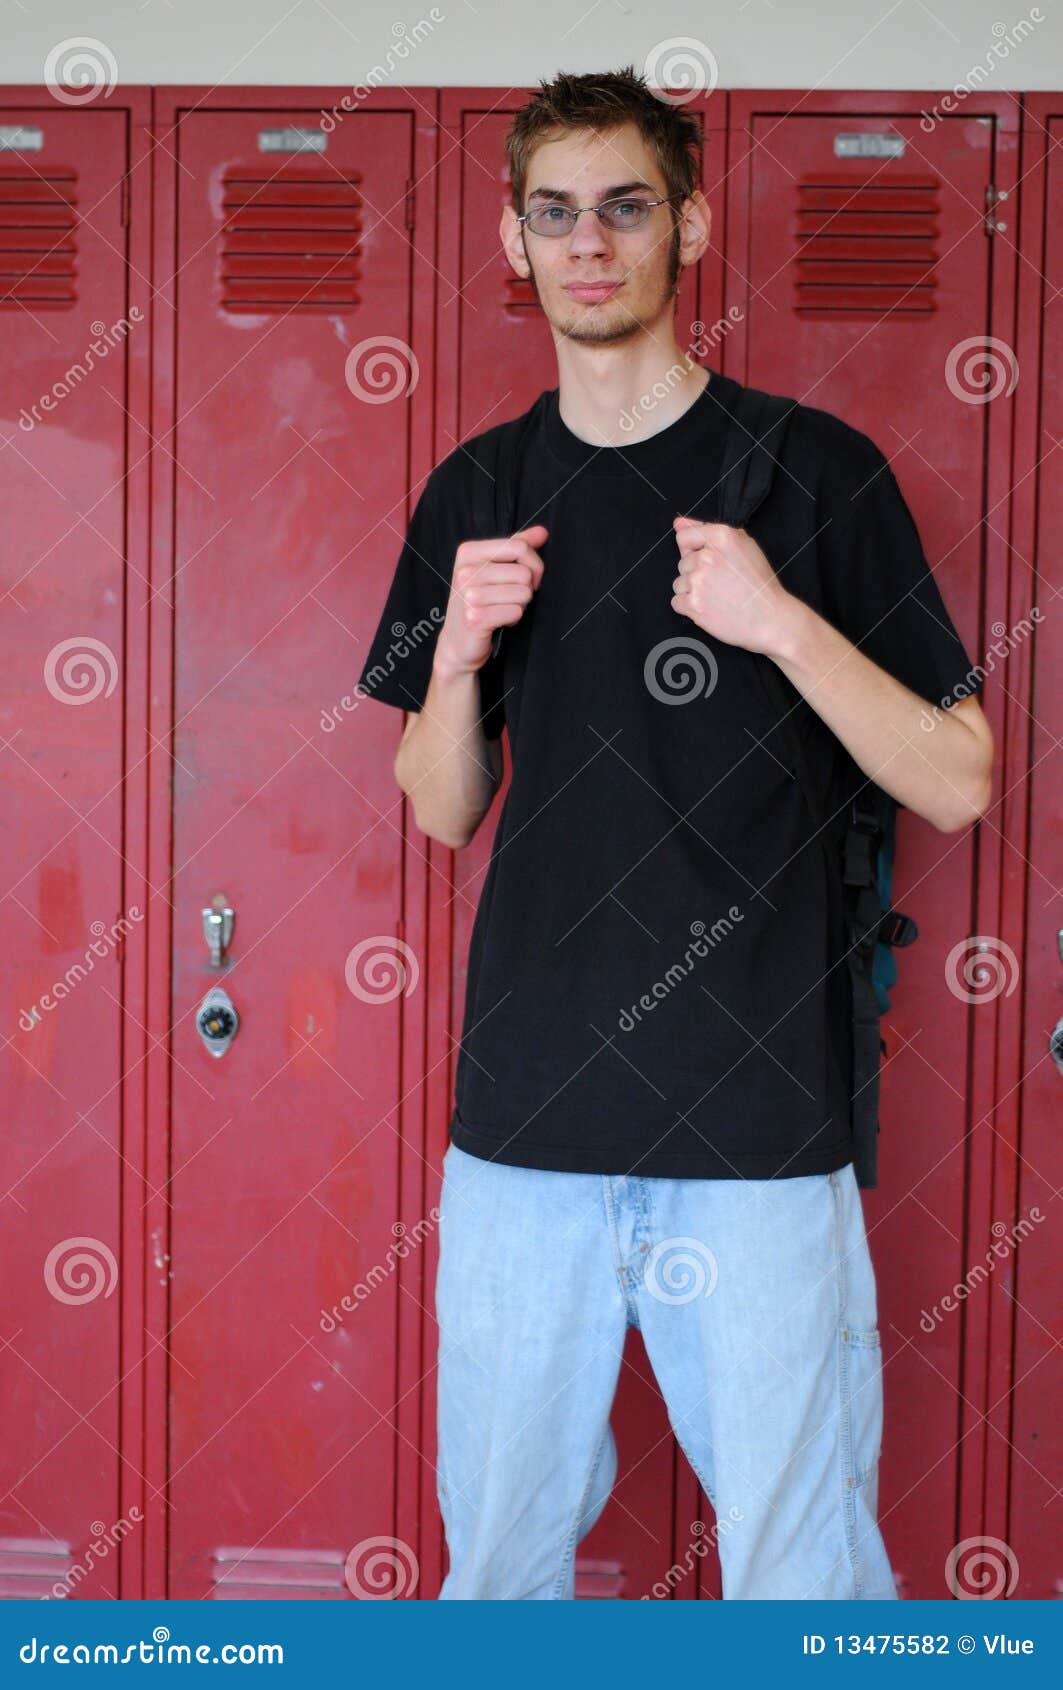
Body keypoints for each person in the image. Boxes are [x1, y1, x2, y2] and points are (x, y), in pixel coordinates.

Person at [357, 66, 994, 1600]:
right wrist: (453, 659)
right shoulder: (480, 490)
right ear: (515, 243)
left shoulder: (817, 475)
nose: (592, 244)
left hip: (759, 1119)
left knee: (803, 1564)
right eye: (557, 214)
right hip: (528, 1123)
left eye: (626, 208)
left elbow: (959, 776)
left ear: (687, 225)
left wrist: (780, 623)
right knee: (500, 1559)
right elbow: (442, 808)